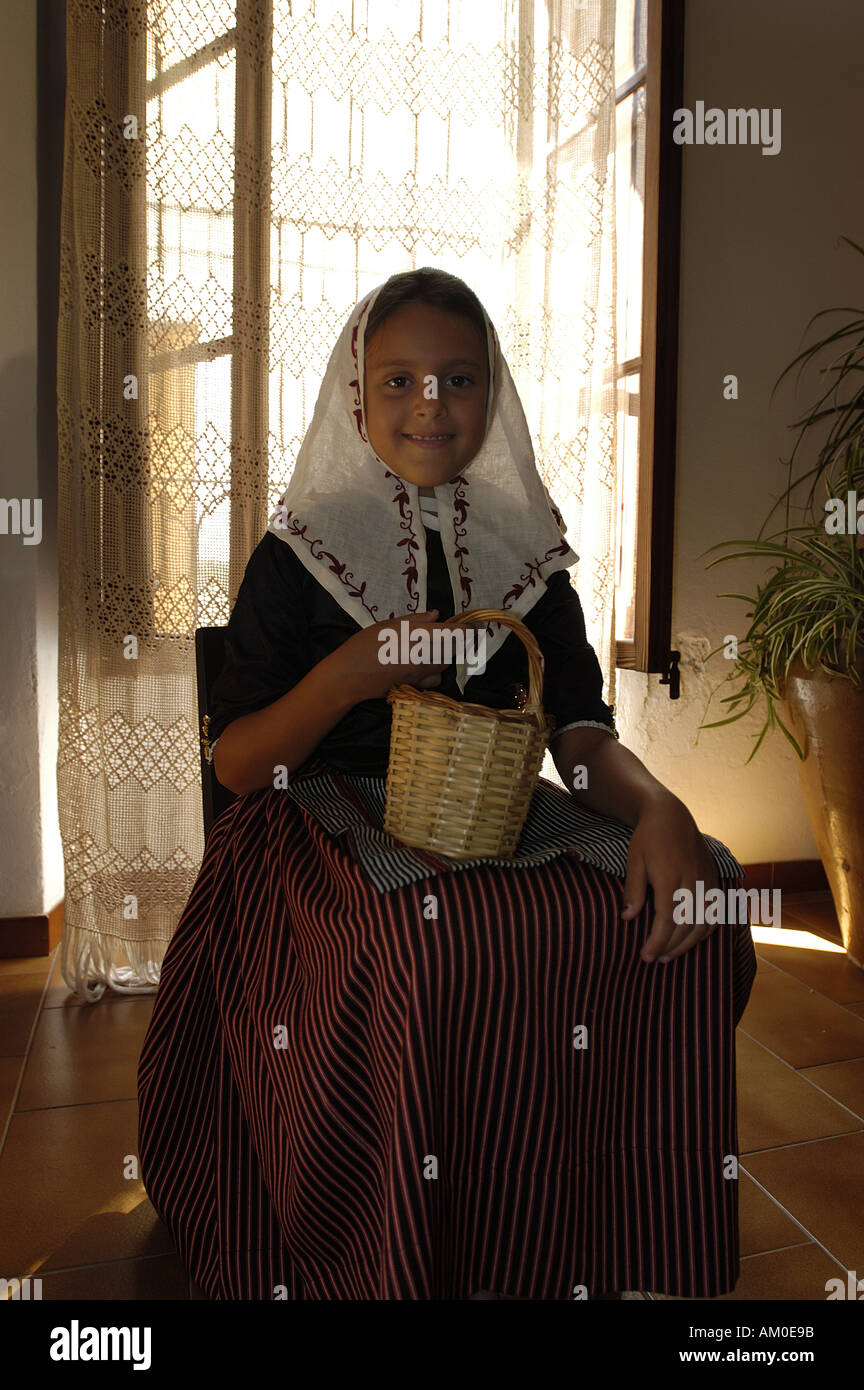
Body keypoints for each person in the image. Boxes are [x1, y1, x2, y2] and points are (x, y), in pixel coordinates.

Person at [137, 268, 757, 1301]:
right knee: (436, 935)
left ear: (492, 391)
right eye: (400, 380)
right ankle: (406, 1237)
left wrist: (664, 809)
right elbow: (240, 763)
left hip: (495, 799)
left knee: (708, 888)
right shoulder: (300, 551)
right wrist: (348, 675)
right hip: (307, 816)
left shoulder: (527, 558)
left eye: (457, 378)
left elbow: (579, 736)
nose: (431, 403)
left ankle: (600, 1226)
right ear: (356, 394)